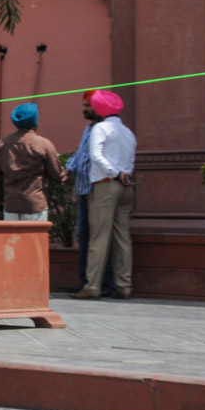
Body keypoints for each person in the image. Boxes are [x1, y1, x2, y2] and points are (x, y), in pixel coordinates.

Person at [70, 90, 137, 300]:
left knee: (98, 238)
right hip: (126, 186)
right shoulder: (128, 132)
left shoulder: (100, 128)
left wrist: (114, 173)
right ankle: (124, 286)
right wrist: (122, 174)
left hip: (105, 185)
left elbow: (95, 155)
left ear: (100, 109)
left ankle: (92, 286)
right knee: (122, 238)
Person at [64, 92, 116, 295]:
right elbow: (81, 154)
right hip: (85, 191)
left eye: (88, 106)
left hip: (98, 189)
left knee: (99, 238)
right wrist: (69, 168)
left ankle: (105, 283)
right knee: (85, 236)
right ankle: (88, 280)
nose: (84, 109)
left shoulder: (106, 129)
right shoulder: (89, 129)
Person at [0, 102, 64, 221]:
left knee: (13, 239)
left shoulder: (2, 144)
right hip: (35, 204)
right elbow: (57, 174)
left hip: (11, 205)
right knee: (36, 239)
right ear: (35, 121)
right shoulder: (43, 144)